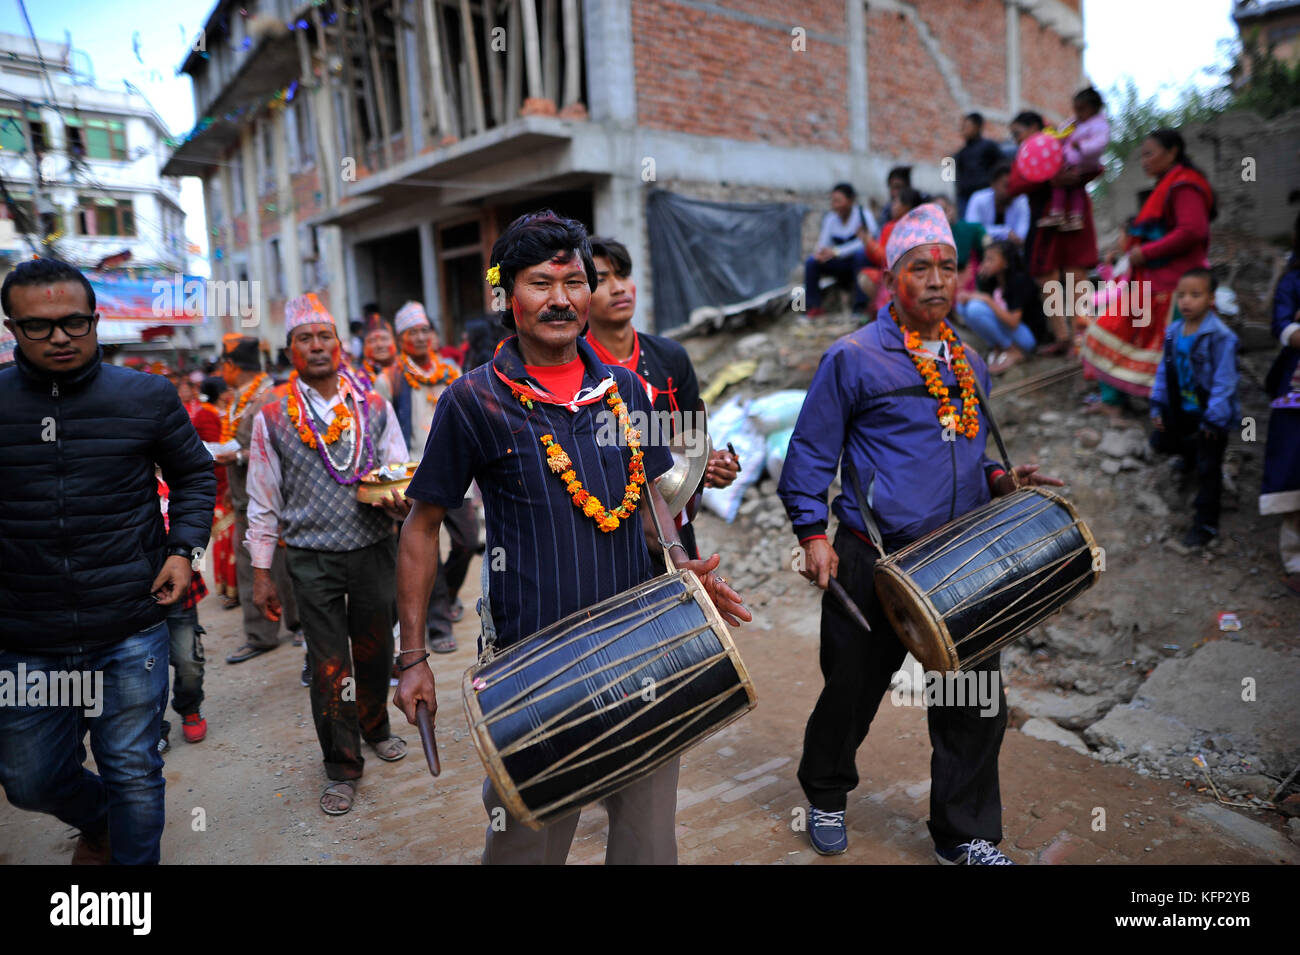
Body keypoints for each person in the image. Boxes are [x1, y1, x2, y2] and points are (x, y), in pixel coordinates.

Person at [392, 210, 750, 864]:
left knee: (647, 846)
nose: (560, 298)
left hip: (639, 650)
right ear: (506, 297)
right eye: (539, 282)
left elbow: (648, 503)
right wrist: (412, 657)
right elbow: (421, 527)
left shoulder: (628, 390)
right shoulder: (476, 401)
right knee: (526, 846)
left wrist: (679, 569)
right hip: (534, 670)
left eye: (573, 280)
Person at [776, 204, 1063, 863]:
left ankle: (963, 836)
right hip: (873, 556)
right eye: (919, 267)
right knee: (851, 687)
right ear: (889, 278)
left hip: (962, 562)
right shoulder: (852, 358)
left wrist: (1000, 478)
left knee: (972, 699)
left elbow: (975, 452)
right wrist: (811, 534)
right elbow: (811, 456)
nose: (937, 279)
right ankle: (824, 792)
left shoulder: (970, 362)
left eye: (948, 267)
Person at [0, 257, 216, 864]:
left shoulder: (145, 396)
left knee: (134, 771)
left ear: (96, 320)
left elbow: (196, 475)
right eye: (39, 326)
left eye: (75, 321)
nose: (60, 336)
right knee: (29, 780)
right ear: (12, 327)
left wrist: (183, 549)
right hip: (24, 633)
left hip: (129, 623)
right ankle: (99, 821)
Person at [245, 292, 412, 816]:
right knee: (328, 665)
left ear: (341, 345)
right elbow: (262, 500)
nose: (316, 347)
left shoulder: (376, 406)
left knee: (375, 652)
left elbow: (398, 469)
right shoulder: (271, 416)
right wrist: (262, 573)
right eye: (304, 339)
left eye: (325, 337)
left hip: (373, 550)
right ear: (288, 349)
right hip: (310, 560)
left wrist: (398, 502)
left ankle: (375, 726)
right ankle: (341, 766)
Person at [584, 235, 741, 560]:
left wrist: (712, 468)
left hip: (672, 522)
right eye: (601, 280)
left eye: (623, 275)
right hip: (607, 530)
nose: (618, 288)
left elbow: (694, 443)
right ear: (579, 293)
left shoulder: (671, 357)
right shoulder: (579, 369)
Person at [1081, 128, 1216, 417]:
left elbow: (1192, 230)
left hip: (1173, 287)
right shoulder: (1168, 186)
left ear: (1172, 153)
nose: (1144, 160)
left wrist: (1145, 252)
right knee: (1112, 333)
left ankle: (1176, 420)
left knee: (1173, 355)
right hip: (1151, 285)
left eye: (1149, 153)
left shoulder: (1184, 185)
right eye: (1141, 155)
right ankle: (1117, 404)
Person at [376, 300, 476, 653]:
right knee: (426, 542)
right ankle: (437, 624)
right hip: (415, 477)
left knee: (466, 541)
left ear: (433, 335)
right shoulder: (389, 379)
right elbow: (382, 430)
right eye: (411, 333)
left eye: (424, 331)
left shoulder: (451, 370)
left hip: (458, 472)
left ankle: (446, 595)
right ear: (401, 339)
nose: (419, 338)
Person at [216, 335, 303, 665]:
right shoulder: (239, 399)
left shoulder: (270, 397)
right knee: (254, 564)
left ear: (232, 366)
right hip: (243, 496)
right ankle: (268, 631)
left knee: (276, 563)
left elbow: (280, 447)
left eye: (223, 365)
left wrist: (237, 457)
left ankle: (284, 628)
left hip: (270, 497)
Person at [1149, 268, 1238, 553]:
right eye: (1182, 295)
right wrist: (1157, 404)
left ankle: (1206, 524)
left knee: (1208, 468)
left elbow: (1225, 382)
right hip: (1181, 408)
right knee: (1164, 440)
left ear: (1211, 298)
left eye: (1195, 295)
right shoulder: (1174, 332)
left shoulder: (1221, 337)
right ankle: (1186, 459)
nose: (1186, 301)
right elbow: (1164, 371)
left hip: (1210, 415)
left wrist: (1214, 420)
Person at [1005, 109, 1088, 355]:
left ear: (1034, 128)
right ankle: (1063, 337)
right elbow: (1014, 185)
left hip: (1074, 220)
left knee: (1076, 276)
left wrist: (1072, 176)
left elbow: (1095, 167)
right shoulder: (1024, 156)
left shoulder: (1067, 142)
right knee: (1046, 279)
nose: (1017, 140)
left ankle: (1083, 338)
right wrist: (1048, 179)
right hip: (1043, 223)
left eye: (1018, 134)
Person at [1261, 211, 1300, 594]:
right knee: (1293, 469)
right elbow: (1283, 325)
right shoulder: (1292, 281)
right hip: (1296, 394)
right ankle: (1296, 561)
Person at [956, 239, 1045, 375]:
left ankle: (1013, 350)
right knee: (963, 307)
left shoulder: (1019, 281)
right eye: (985, 259)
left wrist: (987, 300)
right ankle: (999, 346)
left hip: (1027, 336)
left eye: (991, 259)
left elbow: (1013, 322)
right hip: (1012, 332)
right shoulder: (993, 281)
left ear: (1006, 263)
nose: (986, 263)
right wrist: (980, 281)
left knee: (975, 309)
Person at [804, 183, 879, 317]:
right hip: (839, 263)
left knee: (861, 255)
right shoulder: (830, 219)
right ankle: (812, 307)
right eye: (833, 201)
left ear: (850, 201)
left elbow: (866, 242)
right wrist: (821, 254)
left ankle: (860, 307)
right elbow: (823, 242)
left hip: (859, 263)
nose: (835, 205)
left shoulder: (864, 216)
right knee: (811, 262)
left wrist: (837, 251)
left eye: (838, 201)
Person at [1041, 87, 1109, 232]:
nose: (1078, 113)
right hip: (1071, 162)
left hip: (1084, 164)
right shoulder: (1076, 122)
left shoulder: (1099, 125)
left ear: (1094, 109)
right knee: (1069, 187)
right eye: (1076, 109)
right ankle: (1065, 216)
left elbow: (1099, 144)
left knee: (1071, 186)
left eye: (1082, 109)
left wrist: (1082, 146)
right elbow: (1063, 132)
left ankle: (1071, 216)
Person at [963, 163, 1030, 244]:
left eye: (1013, 186)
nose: (1011, 190)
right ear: (993, 184)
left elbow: (1021, 236)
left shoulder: (1021, 200)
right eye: (1006, 185)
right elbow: (971, 229)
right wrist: (1005, 232)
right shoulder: (978, 199)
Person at [955, 112, 1005, 218]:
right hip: (965, 198)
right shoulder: (961, 153)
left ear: (977, 127)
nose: (963, 129)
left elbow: (1002, 166)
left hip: (985, 195)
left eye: (967, 126)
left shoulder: (989, 146)